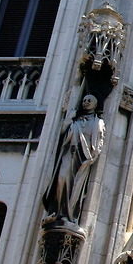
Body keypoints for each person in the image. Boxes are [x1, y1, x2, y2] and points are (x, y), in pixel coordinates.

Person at [43, 94, 105, 223]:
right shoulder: (75, 121)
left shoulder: (98, 122)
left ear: (95, 104)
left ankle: (69, 214)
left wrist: (92, 158)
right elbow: (61, 135)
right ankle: (58, 211)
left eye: (89, 100)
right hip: (68, 155)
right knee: (62, 179)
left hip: (83, 160)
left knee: (76, 187)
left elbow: (98, 143)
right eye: (84, 100)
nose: (86, 102)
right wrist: (68, 120)